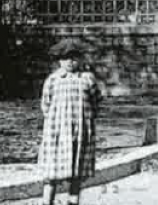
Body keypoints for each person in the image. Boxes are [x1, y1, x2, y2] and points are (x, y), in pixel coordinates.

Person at [37, 38, 103, 205]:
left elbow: (96, 102)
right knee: (52, 174)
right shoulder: (53, 80)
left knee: (77, 172)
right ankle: (47, 201)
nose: (70, 62)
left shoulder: (87, 78)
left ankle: (73, 201)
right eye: (66, 58)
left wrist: (87, 120)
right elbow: (46, 105)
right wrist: (55, 123)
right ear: (59, 60)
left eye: (74, 58)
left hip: (80, 132)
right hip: (57, 134)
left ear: (80, 59)